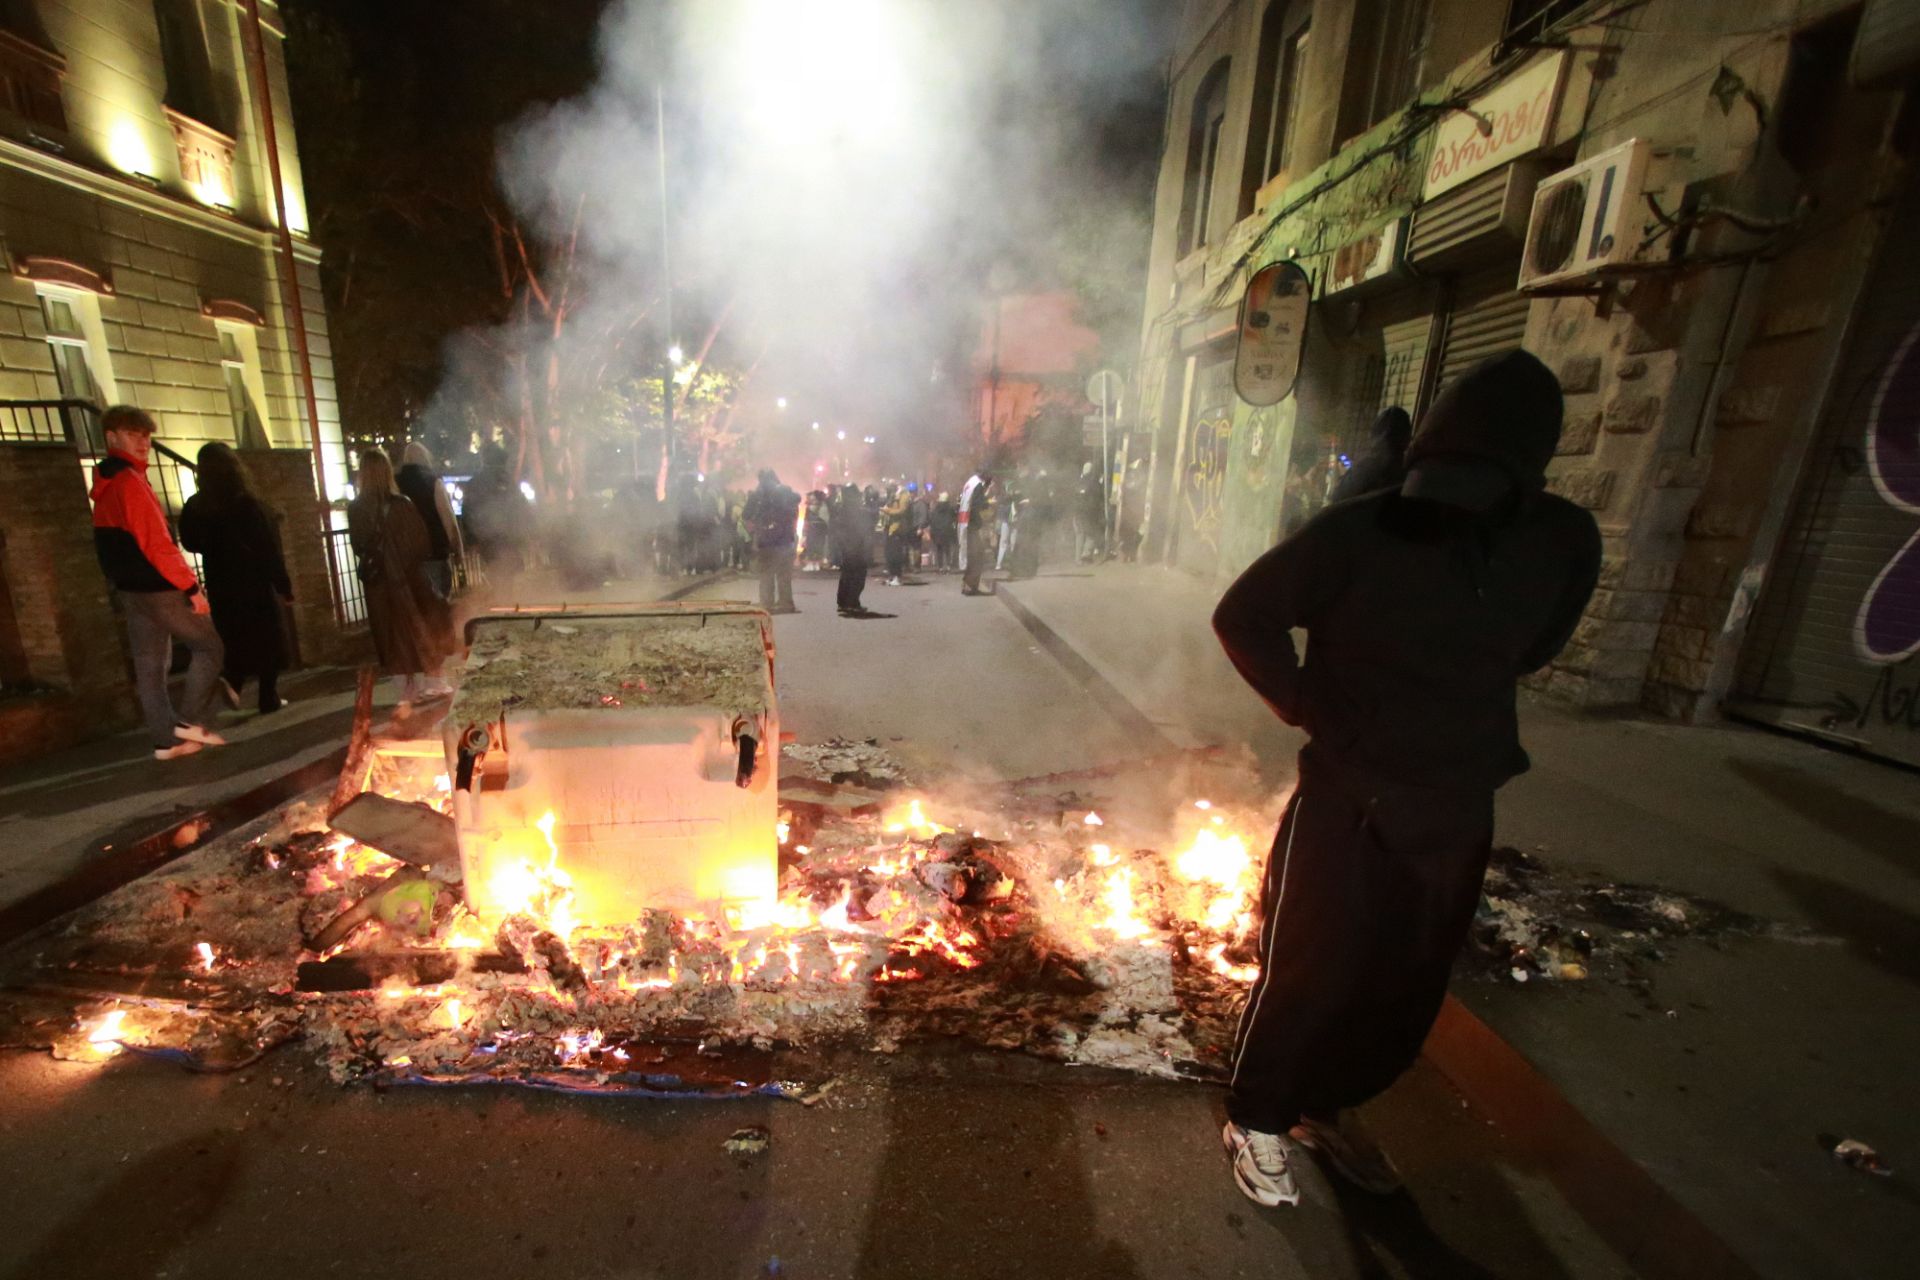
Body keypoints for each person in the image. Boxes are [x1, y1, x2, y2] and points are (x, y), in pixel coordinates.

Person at [1210, 351, 1601, 1208]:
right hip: (1349, 795)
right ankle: (1258, 1117)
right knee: (1308, 968)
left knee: (1406, 980)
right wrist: (1315, 708)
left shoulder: (1561, 540)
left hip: (1458, 803)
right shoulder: (1356, 530)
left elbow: (1536, 644)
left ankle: (1324, 1104)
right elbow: (1245, 616)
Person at [89, 405, 227, 760]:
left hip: (130, 589)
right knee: (210, 645)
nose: (143, 442)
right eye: (134, 434)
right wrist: (192, 587)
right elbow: (156, 542)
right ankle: (190, 720)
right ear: (112, 437)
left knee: (150, 666)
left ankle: (166, 741)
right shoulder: (129, 482)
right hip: (157, 586)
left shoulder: (106, 484)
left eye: (146, 435)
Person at [179, 442, 294, 716]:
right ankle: (268, 696)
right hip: (253, 583)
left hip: (222, 583)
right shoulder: (246, 503)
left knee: (234, 637)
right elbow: (267, 548)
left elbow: (190, 541)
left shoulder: (197, 506)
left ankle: (233, 682)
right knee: (267, 639)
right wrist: (283, 585)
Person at [348, 447, 456, 714]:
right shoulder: (401, 505)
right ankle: (432, 683)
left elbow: (359, 544)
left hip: (378, 587)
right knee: (423, 627)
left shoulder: (356, 509)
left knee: (390, 637)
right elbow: (420, 544)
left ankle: (405, 693)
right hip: (408, 581)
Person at [396, 442, 464, 600]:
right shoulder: (433, 482)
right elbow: (448, 519)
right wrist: (457, 549)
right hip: (434, 552)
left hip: (406, 559)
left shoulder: (395, 483)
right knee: (438, 605)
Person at [742, 468, 800, 613]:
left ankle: (767, 603)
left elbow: (746, 515)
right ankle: (786, 603)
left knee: (766, 572)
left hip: (765, 539)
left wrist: (754, 532)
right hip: (785, 539)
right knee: (784, 574)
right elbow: (795, 508)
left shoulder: (757, 495)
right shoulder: (786, 492)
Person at [1330, 407, 1414, 502]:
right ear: (1407, 437)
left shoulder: (1367, 467)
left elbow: (1336, 498)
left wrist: (1344, 476)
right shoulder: (1410, 471)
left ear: (1375, 434)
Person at [829, 484, 870, 615]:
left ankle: (843, 602)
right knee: (856, 575)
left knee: (846, 574)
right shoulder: (854, 510)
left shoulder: (841, 508)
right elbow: (860, 528)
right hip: (854, 546)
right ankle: (852, 602)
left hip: (846, 546)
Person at [959, 468, 994, 596]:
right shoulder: (978, 485)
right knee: (976, 555)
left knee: (972, 554)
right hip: (972, 525)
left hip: (966, 523)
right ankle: (970, 586)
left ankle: (967, 584)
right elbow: (979, 504)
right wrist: (988, 502)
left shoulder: (970, 482)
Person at [957, 468, 988, 573]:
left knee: (963, 542)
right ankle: (970, 566)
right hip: (971, 517)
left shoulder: (970, 482)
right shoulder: (978, 484)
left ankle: (963, 564)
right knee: (974, 545)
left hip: (963, 515)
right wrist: (987, 504)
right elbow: (977, 503)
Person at [881, 485, 913, 586]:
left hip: (898, 529)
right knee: (890, 554)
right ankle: (892, 576)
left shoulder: (903, 495)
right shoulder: (893, 496)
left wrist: (888, 511)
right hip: (890, 528)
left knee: (895, 554)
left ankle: (897, 577)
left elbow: (902, 510)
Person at [1075, 461, 1105, 562]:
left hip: (1077, 512)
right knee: (1092, 534)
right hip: (1089, 512)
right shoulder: (1094, 482)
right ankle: (1086, 554)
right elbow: (1100, 496)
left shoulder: (1078, 481)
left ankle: (1078, 559)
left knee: (1079, 535)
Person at [930, 491, 959, 571]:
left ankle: (940, 566)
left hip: (937, 531)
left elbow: (932, 520)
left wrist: (932, 532)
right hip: (947, 531)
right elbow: (954, 518)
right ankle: (948, 565)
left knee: (939, 549)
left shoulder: (935, 509)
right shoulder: (950, 509)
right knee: (947, 548)